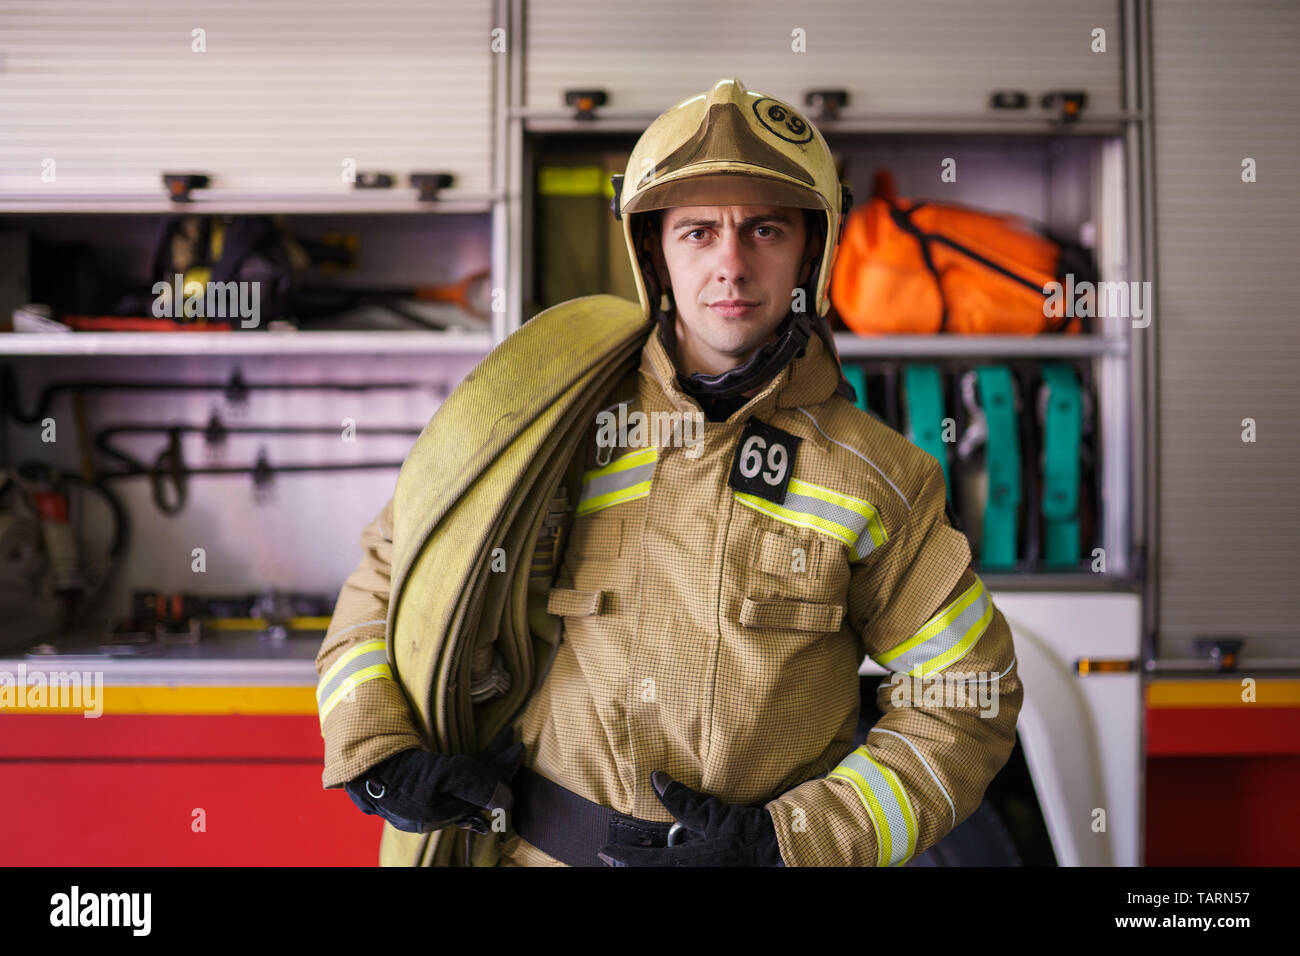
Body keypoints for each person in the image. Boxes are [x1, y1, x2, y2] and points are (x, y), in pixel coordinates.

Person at [315, 77, 1024, 867]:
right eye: (697, 232)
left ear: (811, 251)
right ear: (652, 250)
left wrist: (786, 846)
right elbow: (390, 577)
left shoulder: (879, 478)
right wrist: (376, 746)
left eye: (763, 230)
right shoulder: (550, 423)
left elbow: (966, 697)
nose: (730, 265)